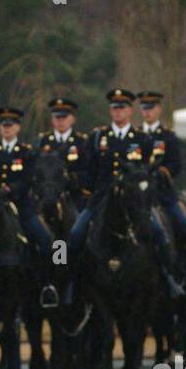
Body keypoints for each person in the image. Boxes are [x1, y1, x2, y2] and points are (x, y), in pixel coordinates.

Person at [0, 106, 56, 306]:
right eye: (3, 125)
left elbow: (29, 179)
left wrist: (9, 190)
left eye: (10, 125)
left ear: (18, 127)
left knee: (48, 241)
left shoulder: (27, 152)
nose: (6, 128)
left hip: (21, 207)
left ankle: (49, 284)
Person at [69, 88, 153, 254]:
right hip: (101, 197)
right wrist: (88, 191)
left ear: (130, 110)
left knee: (159, 234)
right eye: (115, 107)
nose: (118, 111)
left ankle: (169, 275)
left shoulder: (142, 138)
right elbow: (88, 167)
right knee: (75, 233)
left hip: (134, 199)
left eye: (122, 107)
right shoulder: (98, 137)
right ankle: (68, 275)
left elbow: (146, 171)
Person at [138, 90, 186, 292]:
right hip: (140, 195)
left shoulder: (168, 137)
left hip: (163, 194)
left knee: (184, 226)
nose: (147, 112)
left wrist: (163, 172)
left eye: (151, 108)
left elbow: (176, 165)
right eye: (144, 108)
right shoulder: (135, 136)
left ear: (158, 109)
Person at [34, 97, 91, 209]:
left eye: (64, 117)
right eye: (57, 117)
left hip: (75, 195)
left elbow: (88, 168)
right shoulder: (43, 141)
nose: (60, 121)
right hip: (48, 195)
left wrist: (74, 179)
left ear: (73, 119)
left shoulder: (81, 141)